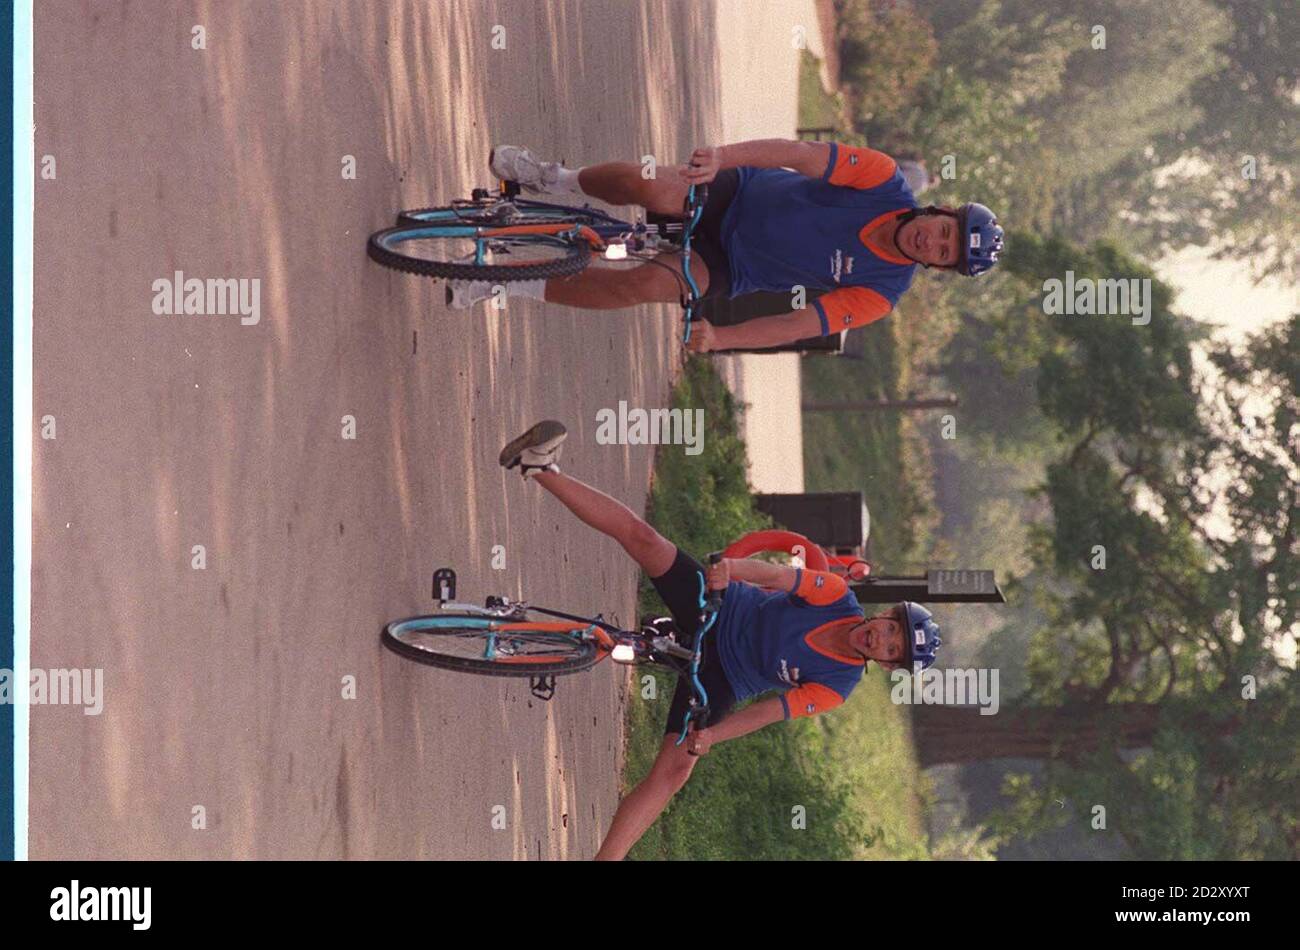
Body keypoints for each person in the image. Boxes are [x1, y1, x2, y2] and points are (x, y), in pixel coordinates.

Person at [497, 419, 943, 860]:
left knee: (675, 770)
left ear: (885, 665)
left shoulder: (837, 687)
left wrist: (712, 736)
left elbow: (767, 711)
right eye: (889, 629)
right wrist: (731, 572)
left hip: (724, 677)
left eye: (891, 649)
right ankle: (539, 468)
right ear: (885, 614)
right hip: (721, 606)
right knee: (646, 539)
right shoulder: (837, 596)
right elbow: (776, 574)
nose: (880, 638)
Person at [447, 141, 1003, 352]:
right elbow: (799, 154)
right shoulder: (882, 178)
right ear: (940, 212)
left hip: (731, 266)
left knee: (644, 284)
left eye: (943, 253)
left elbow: (796, 326)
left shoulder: (881, 294)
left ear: (937, 266)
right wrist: (723, 159)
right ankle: (557, 178)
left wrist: (721, 339)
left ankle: (504, 285)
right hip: (735, 195)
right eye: (945, 231)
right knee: (652, 185)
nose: (934, 241)